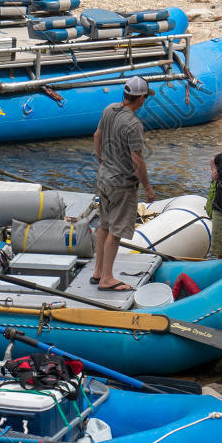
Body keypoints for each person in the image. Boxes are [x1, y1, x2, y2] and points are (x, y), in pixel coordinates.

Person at [92, 75, 156, 291]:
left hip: (104, 179)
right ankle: (107, 278)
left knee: (104, 224)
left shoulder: (109, 109)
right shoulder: (133, 124)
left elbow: (97, 135)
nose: (145, 101)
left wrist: (101, 161)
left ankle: (98, 271)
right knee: (116, 231)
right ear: (139, 98)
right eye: (145, 97)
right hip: (121, 184)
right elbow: (137, 161)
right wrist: (148, 189)